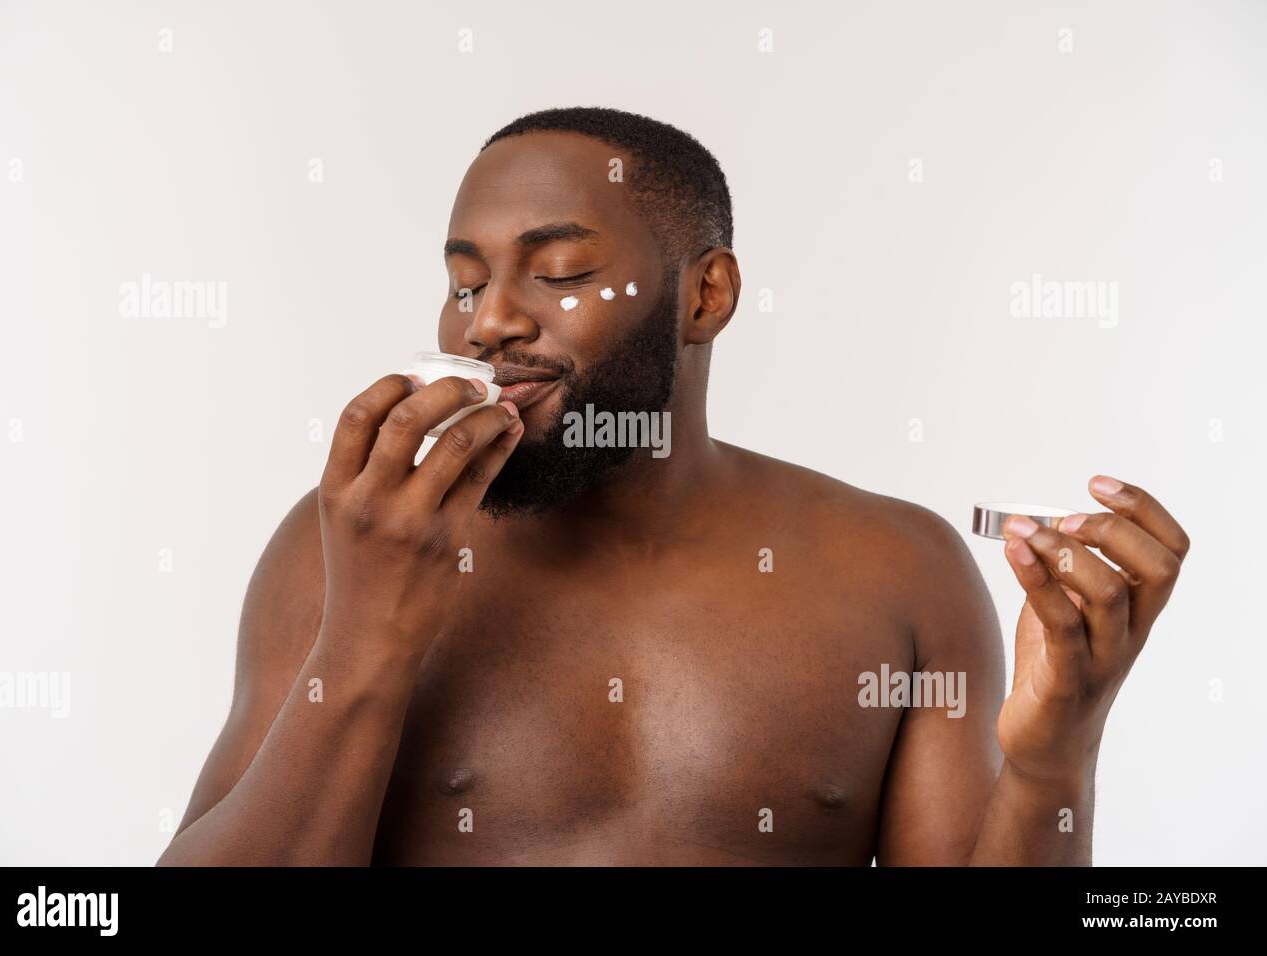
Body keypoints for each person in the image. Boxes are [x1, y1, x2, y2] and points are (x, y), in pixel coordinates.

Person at [157, 107, 1189, 865]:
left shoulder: (898, 569)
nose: (485, 325)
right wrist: (366, 637)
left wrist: (1056, 758)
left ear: (705, 294)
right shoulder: (348, 542)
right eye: (465, 281)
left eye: (556, 272)